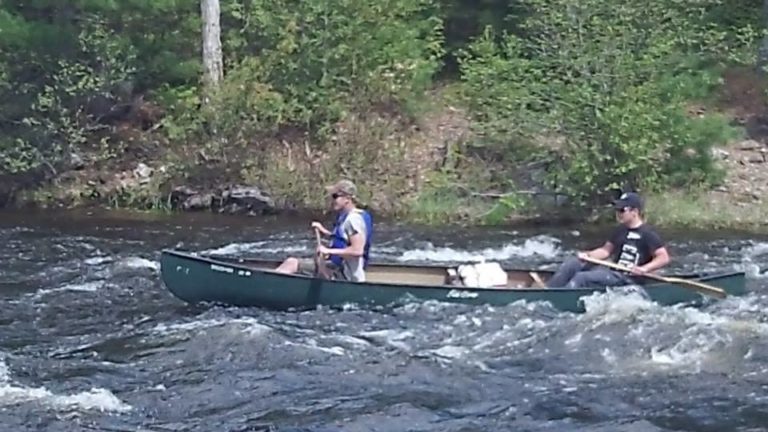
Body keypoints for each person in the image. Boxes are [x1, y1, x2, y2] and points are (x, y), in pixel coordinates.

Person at [545, 192, 670, 289]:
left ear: (635, 212)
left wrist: (645, 269)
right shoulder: (620, 230)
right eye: (617, 210)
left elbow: (663, 258)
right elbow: (605, 251)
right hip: (614, 272)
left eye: (622, 210)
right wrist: (588, 255)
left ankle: (563, 298)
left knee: (582, 278)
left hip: (628, 278)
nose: (618, 214)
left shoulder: (648, 234)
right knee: (573, 264)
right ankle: (549, 292)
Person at [275, 179, 373, 282]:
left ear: (347, 198)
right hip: (337, 268)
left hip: (345, 275)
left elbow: (357, 250)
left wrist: (328, 251)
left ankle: (269, 286)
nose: (332, 200)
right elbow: (344, 239)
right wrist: (324, 232)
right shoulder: (348, 216)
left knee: (291, 263)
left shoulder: (353, 220)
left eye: (335, 196)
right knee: (310, 261)